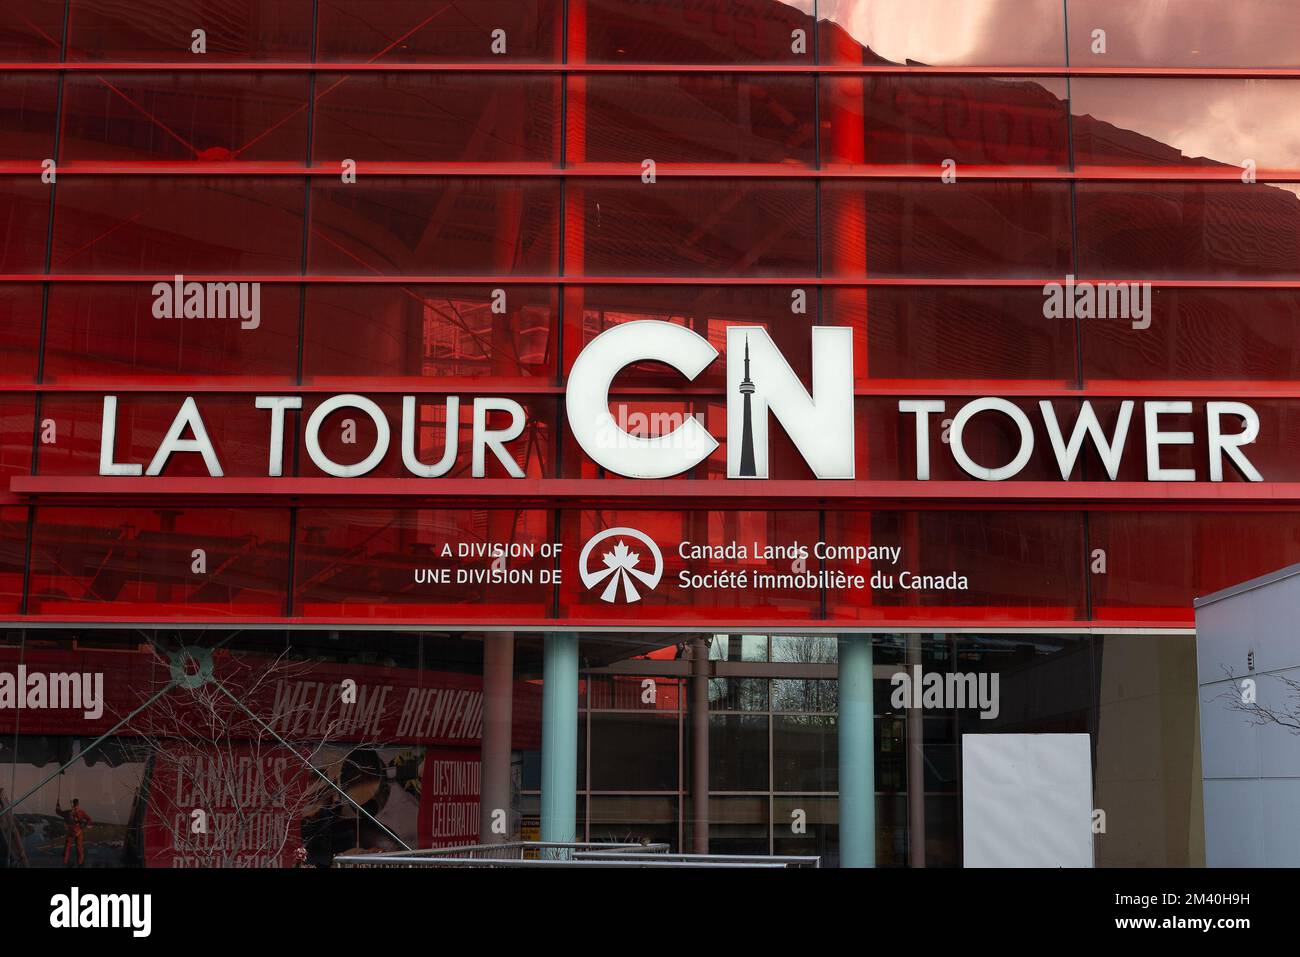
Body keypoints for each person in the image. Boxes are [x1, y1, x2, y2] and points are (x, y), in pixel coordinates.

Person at [56, 798, 92, 866]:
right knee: (77, 849)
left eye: (75, 805)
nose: (75, 806)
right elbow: (89, 819)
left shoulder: (69, 812)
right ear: (78, 804)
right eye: (75, 805)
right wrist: (83, 826)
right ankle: (78, 863)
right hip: (77, 832)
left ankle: (66, 863)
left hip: (73, 832)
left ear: (73, 804)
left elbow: (59, 812)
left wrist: (57, 805)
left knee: (69, 848)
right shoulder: (80, 812)